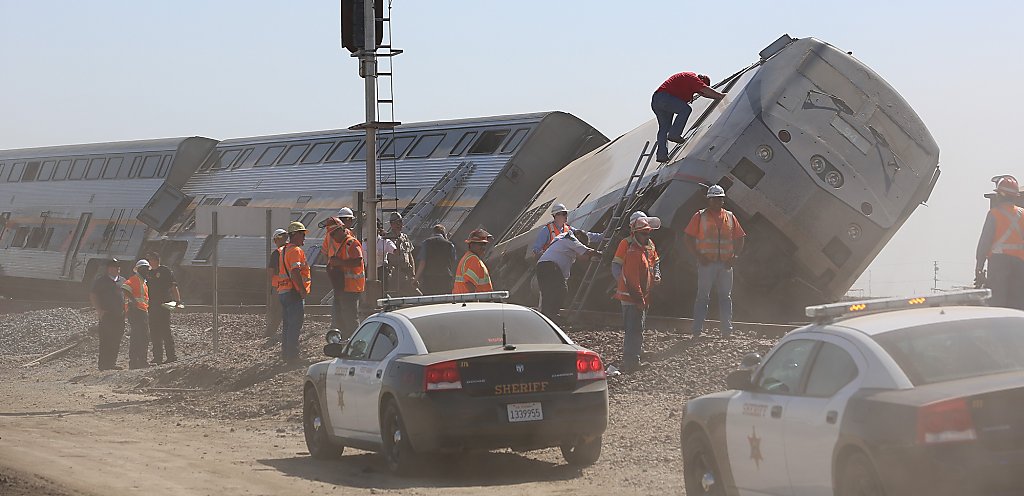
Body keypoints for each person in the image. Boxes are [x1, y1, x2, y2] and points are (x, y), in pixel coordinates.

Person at [684, 185, 746, 338]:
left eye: (720, 199)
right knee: (703, 297)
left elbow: (740, 237)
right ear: (708, 200)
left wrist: (735, 257)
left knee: (725, 297)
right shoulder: (700, 216)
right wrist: (698, 256)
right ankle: (697, 330)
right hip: (707, 264)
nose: (717, 202)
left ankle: (726, 331)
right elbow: (688, 238)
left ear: (723, 200)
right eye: (714, 199)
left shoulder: (730, 217)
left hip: (725, 264)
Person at [614, 216, 660, 372]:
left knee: (636, 329)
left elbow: (653, 264)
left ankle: (634, 357)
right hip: (632, 299)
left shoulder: (641, 250)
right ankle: (632, 362)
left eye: (648, 233)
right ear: (635, 234)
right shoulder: (634, 252)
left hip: (637, 297)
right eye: (643, 233)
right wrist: (639, 300)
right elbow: (633, 282)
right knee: (633, 330)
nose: (646, 236)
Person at [651, 72, 726, 162]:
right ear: (701, 81)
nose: (699, 92)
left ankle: (661, 155)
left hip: (657, 100)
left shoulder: (688, 80)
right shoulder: (693, 79)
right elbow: (705, 90)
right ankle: (674, 135)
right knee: (685, 109)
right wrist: (720, 96)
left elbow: (704, 93)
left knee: (664, 128)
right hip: (664, 98)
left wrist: (715, 97)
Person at [976, 176, 1024, 309]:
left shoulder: (994, 214)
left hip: (999, 264)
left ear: (999, 195)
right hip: (1020, 265)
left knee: (998, 306)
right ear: (1015, 196)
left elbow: (984, 243)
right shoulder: (1023, 214)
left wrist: (979, 266)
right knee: (1018, 308)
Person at [535, 229, 600, 320]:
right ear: (579, 237)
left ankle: (546, 317)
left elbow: (582, 257)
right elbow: (585, 251)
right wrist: (599, 254)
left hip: (544, 266)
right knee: (560, 290)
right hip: (550, 266)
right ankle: (552, 315)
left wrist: (591, 258)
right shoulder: (570, 238)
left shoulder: (562, 240)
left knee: (548, 293)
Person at [322, 209, 364, 338]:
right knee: (340, 317)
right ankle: (342, 341)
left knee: (350, 318)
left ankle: (354, 343)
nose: (333, 236)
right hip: (341, 286)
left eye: (335, 233)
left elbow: (358, 262)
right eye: (331, 234)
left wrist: (338, 263)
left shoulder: (351, 243)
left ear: (341, 229)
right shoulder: (333, 240)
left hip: (351, 287)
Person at [277, 221, 312, 363]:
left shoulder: (284, 250)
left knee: (287, 325)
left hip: (283, 292)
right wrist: (302, 290)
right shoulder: (296, 251)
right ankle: (293, 357)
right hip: (293, 292)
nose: (304, 238)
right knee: (295, 325)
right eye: (302, 234)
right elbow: (295, 272)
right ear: (295, 235)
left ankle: (286, 354)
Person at [144, 252, 180, 364]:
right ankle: (157, 357)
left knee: (165, 330)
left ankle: (171, 356)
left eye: (153, 259)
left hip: (164, 304)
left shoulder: (165, 271)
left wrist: (177, 300)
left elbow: (173, 286)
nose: (151, 262)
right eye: (149, 260)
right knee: (154, 332)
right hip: (152, 305)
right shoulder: (148, 273)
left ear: (157, 260)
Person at [90, 258, 126, 371]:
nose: (115, 268)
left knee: (116, 339)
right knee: (106, 339)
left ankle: (112, 363)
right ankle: (103, 365)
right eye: (112, 266)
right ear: (108, 268)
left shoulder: (123, 280)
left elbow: (127, 295)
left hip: (120, 315)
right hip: (107, 315)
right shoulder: (101, 281)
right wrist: (99, 310)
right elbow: (93, 295)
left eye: (117, 266)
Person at [121, 259, 151, 369]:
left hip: (142, 311)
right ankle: (134, 362)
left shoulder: (143, 282)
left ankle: (142, 361)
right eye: (145, 269)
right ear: (139, 269)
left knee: (144, 337)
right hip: (136, 312)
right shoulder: (134, 279)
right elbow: (125, 288)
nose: (147, 271)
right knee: (137, 337)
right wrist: (133, 301)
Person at [416, 224, 457, 295]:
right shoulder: (450, 245)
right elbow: (454, 262)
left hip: (429, 279)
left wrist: (416, 279)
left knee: (429, 302)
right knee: (444, 302)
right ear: (444, 233)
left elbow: (422, 263)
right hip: (445, 279)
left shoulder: (426, 243)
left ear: (433, 233)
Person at [385, 212, 419, 296]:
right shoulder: (387, 238)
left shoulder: (405, 237)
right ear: (391, 224)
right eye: (396, 222)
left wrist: (413, 274)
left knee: (417, 296)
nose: (399, 224)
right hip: (394, 273)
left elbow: (410, 256)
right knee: (395, 297)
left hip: (406, 273)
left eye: (400, 222)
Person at [453, 229, 494, 294]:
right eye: (480, 244)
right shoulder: (473, 259)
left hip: (464, 300)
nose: (483, 247)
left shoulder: (468, 257)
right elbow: (469, 283)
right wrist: (475, 301)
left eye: (484, 244)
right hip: (471, 301)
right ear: (471, 245)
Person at [265, 228, 288, 337]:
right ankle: (287, 332)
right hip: (291, 287)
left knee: (276, 312)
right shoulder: (293, 250)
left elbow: (271, 271)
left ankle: (270, 333)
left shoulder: (276, 253)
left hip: (278, 287)